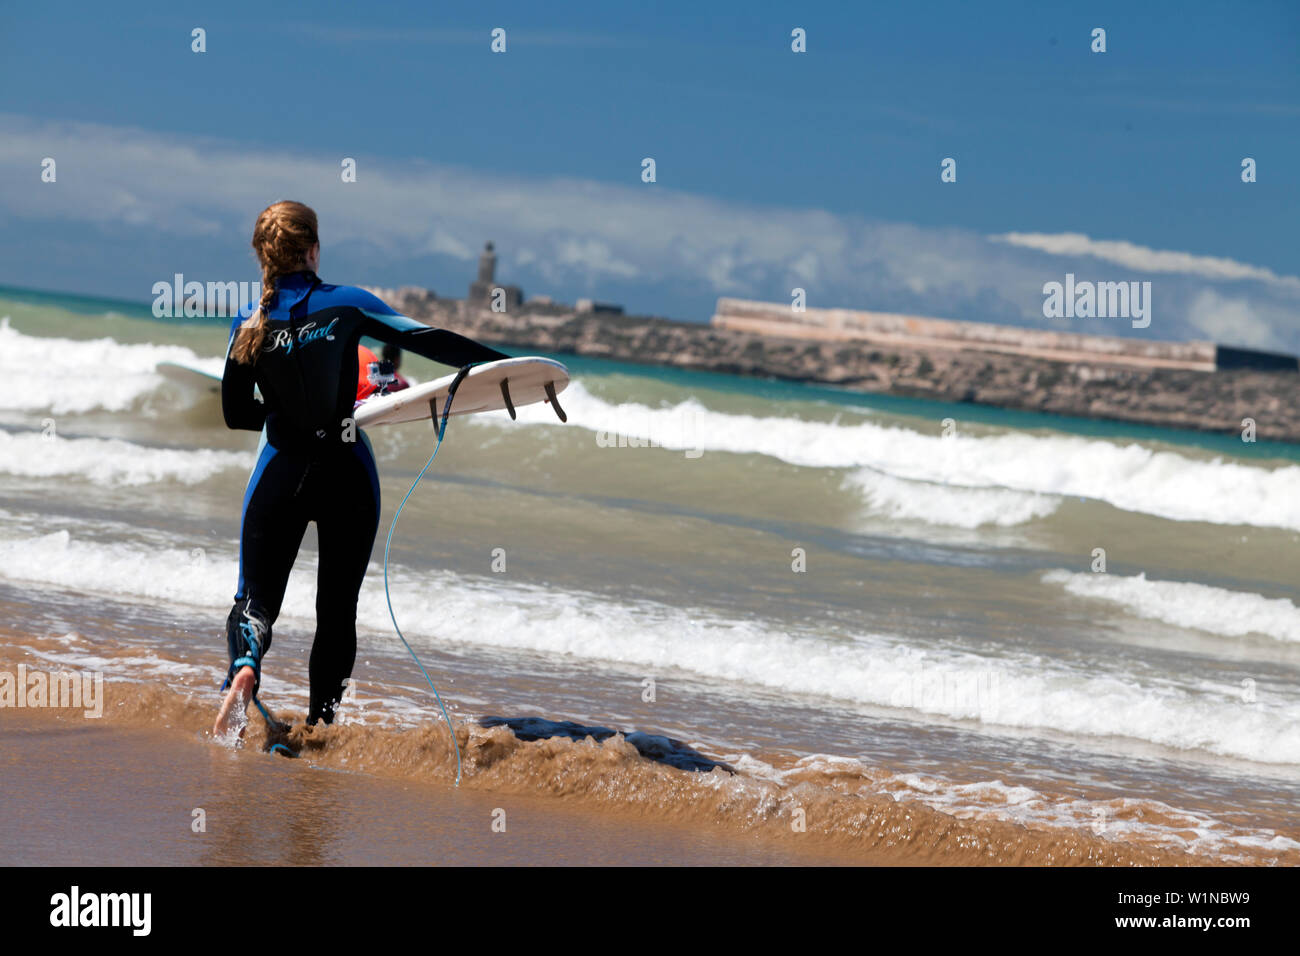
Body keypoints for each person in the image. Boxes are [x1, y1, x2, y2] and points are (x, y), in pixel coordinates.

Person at [213, 200, 509, 738]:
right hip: (347, 471)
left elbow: (235, 414)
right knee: (336, 611)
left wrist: (279, 416)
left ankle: (246, 666)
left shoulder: (247, 324)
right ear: (313, 249)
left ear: (264, 255)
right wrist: (498, 365)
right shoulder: (347, 304)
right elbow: (425, 338)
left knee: (254, 598)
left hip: (282, 471)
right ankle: (320, 726)